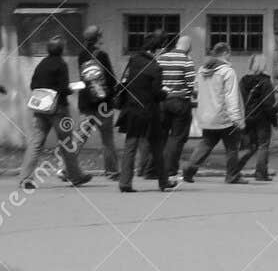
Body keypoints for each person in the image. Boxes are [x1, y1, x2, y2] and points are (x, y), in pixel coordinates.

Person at [18, 37, 92, 190]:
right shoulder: (61, 64)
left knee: (36, 143)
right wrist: (72, 88)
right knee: (66, 143)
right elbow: (63, 88)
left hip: (41, 108)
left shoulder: (42, 64)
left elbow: (33, 85)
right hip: (59, 109)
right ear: (61, 50)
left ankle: (25, 178)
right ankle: (75, 176)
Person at [116, 34, 170, 193]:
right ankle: (164, 182)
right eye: (162, 49)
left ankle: (125, 182)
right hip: (149, 111)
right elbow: (156, 93)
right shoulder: (155, 68)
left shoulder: (132, 61)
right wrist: (165, 93)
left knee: (130, 146)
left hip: (132, 109)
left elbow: (125, 83)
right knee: (157, 146)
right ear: (156, 49)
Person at [183, 42, 245, 183]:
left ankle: (189, 169)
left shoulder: (202, 70)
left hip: (206, 116)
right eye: (229, 54)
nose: (230, 57)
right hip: (224, 117)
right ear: (225, 53)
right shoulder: (227, 72)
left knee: (206, 144)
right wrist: (237, 118)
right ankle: (232, 176)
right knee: (232, 147)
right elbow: (231, 96)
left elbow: (196, 90)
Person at [76, 26, 120, 179]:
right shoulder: (102, 55)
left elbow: (84, 79)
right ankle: (112, 171)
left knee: (80, 137)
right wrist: (113, 95)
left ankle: (68, 168)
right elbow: (111, 79)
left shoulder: (81, 55)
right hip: (103, 104)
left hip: (86, 103)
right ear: (98, 38)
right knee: (107, 139)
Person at [157, 34, 198, 182]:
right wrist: (194, 93)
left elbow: (156, 80)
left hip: (162, 102)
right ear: (188, 46)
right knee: (177, 137)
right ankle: (170, 170)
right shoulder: (187, 61)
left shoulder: (161, 58)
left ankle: (157, 168)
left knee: (162, 136)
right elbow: (192, 85)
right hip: (180, 102)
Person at [237, 55, 277, 182]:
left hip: (247, 117)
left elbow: (239, 99)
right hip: (262, 118)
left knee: (249, 147)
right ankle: (260, 173)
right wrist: (274, 120)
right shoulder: (266, 82)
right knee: (263, 145)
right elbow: (269, 104)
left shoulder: (243, 81)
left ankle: (234, 169)